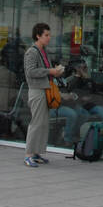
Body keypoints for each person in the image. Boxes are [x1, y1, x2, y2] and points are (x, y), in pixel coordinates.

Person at [23, 23, 64, 167]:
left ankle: (36, 152)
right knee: (36, 122)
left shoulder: (43, 51)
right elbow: (30, 72)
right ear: (38, 36)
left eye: (49, 35)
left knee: (43, 123)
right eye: (46, 35)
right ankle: (28, 154)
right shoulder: (32, 52)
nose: (49, 38)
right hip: (37, 90)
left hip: (45, 89)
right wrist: (50, 71)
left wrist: (54, 71)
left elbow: (44, 70)